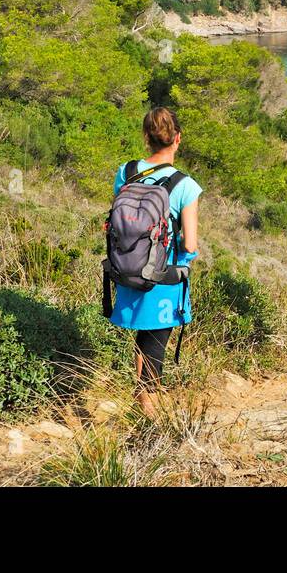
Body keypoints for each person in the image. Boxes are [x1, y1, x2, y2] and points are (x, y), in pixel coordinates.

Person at [108, 107, 202, 418]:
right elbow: (189, 243)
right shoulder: (185, 185)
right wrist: (184, 262)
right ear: (178, 139)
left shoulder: (127, 171)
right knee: (156, 343)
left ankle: (142, 398)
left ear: (146, 137)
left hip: (127, 268)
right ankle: (149, 412)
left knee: (145, 337)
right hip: (163, 276)